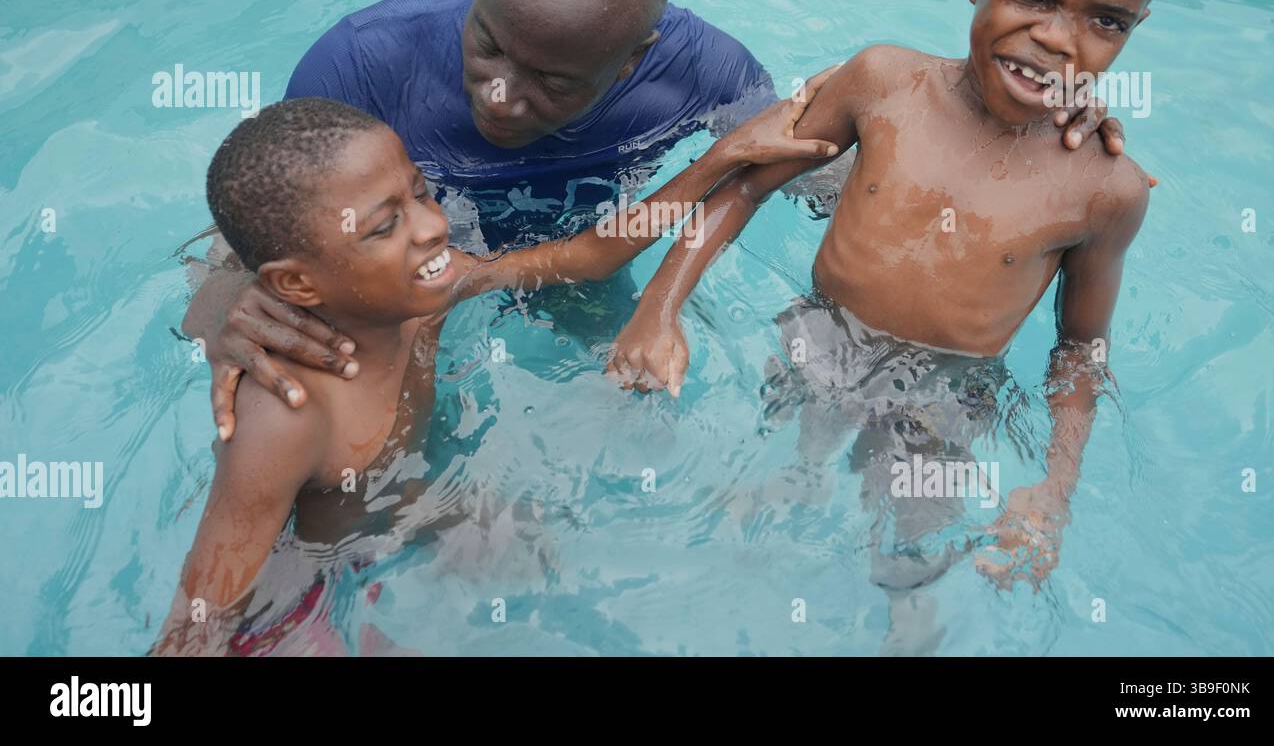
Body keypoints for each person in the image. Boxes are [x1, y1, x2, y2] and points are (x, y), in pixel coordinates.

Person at [186, 0, 1122, 439]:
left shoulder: (701, 72)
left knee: (616, 419)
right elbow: (257, 225)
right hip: (408, 281)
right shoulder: (362, 60)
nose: (502, 95)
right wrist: (224, 307)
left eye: (553, 81)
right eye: (487, 46)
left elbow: (844, 183)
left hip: (583, 251)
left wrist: (1035, 114)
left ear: (638, 60)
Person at [606, 0, 1180, 621]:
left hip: (948, 393)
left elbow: (1081, 350)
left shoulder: (1104, 190)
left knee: (913, 561)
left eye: (1104, 21)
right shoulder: (882, 83)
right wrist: (660, 307)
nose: (1058, 40)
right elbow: (748, 181)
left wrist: (1053, 491)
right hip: (820, 337)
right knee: (759, 495)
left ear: (1135, 30)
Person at [155, 91, 836, 654]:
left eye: (420, 195)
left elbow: (587, 257)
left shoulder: (425, 296)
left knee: (535, 550)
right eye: (382, 227)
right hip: (293, 590)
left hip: (418, 503)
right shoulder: (289, 411)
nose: (429, 228)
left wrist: (723, 156)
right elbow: (200, 620)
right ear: (298, 285)